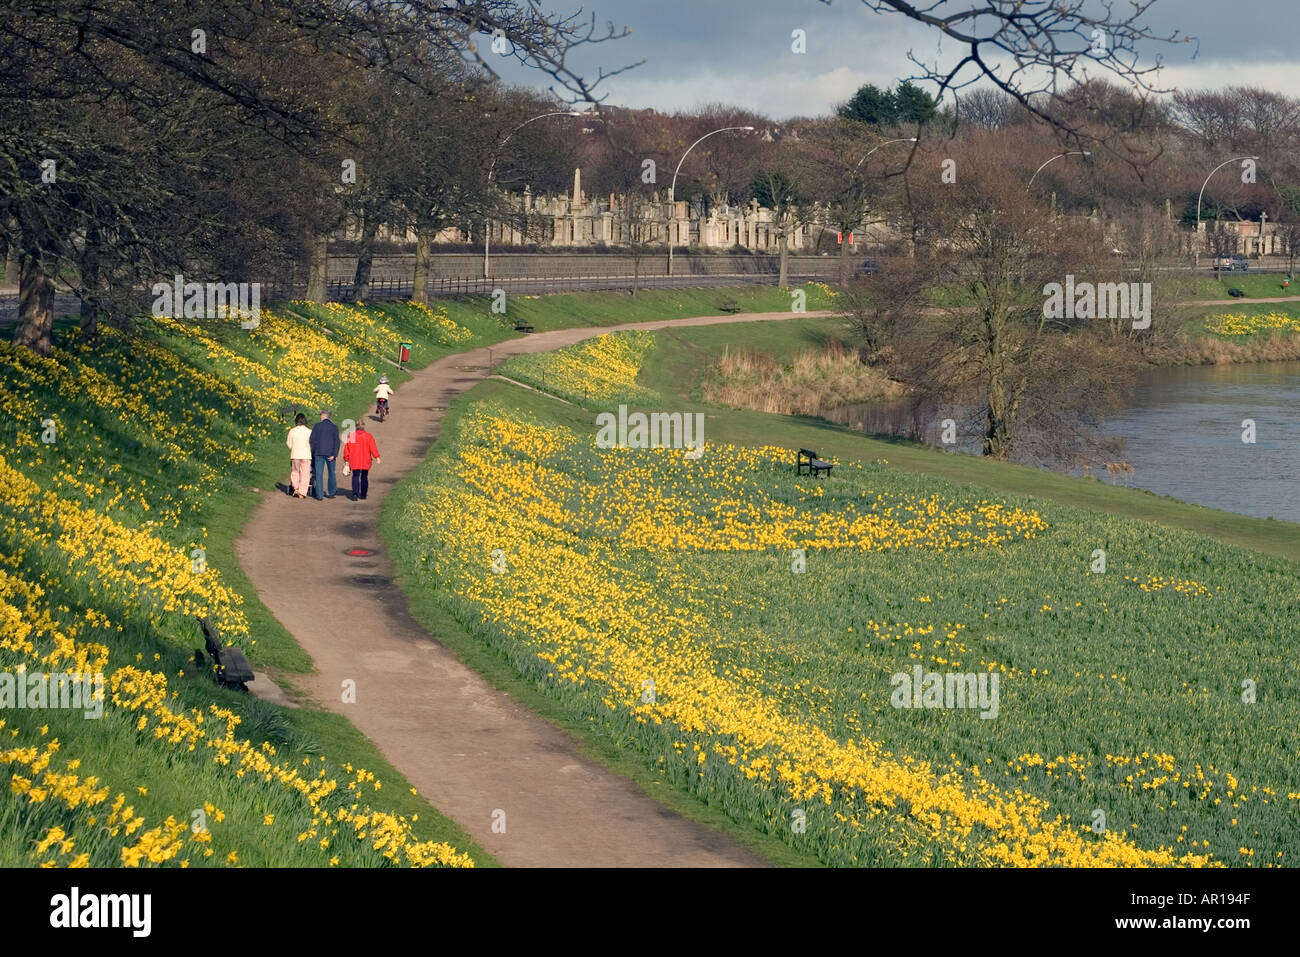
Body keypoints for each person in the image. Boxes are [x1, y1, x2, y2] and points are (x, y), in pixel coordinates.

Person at [342, 421, 381, 501]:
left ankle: (355, 494)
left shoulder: (352, 436)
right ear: (364, 426)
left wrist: (346, 459)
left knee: (355, 476)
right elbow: (372, 448)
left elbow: (347, 449)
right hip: (365, 460)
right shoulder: (368, 436)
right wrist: (377, 456)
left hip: (354, 460)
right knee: (364, 477)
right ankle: (363, 494)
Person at [309, 409, 340, 500]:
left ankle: (319, 494)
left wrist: (314, 451)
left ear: (323, 416)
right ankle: (332, 492)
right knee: (331, 473)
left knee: (319, 474)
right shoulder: (334, 427)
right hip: (330, 453)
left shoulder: (317, 426)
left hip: (318, 452)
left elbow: (312, 440)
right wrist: (334, 454)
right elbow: (337, 442)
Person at [286, 412, 312, 498]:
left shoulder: (292, 431)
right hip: (306, 455)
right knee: (305, 474)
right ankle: (302, 492)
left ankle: (295, 488)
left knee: (295, 472)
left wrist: (293, 448)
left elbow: (288, 443)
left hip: (295, 455)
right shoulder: (309, 431)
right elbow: (312, 443)